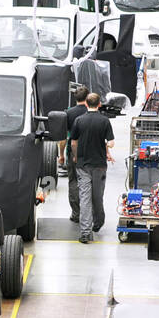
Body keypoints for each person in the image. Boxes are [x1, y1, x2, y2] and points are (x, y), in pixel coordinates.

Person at [69, 91, 115, 244]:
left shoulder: (79, 120)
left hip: (83, 165)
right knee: (98, 196)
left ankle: (85, 233)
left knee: (85, 198)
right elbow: (111, 142)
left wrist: (75, 156)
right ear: (99, 104)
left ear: (87, 104)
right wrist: (107, 148)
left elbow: (73, 142)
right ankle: (98, 222)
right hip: (100, 166)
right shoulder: (105, 121)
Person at [61, 86, 90, 224]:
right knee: (89, 182)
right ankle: (89, 214)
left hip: (72, 151)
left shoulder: (68, 113)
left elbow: (62, 138)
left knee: (73, 182)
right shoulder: (92, 112)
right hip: (90, 153)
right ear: (88, 97)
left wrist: (61, 155)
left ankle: (76, 213)